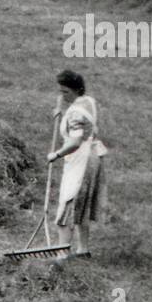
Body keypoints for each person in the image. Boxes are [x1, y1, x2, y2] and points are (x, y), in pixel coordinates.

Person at [50, 69, 107, 259]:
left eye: (65, 92)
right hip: (93, 157)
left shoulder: (75, 112)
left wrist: (56, 154)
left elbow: (74, 142)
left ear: (75, 90)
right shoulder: (88, 101)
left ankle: (61, 254)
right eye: (60, 91)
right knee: (83, 204)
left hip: (80, 160)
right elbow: (80, 117)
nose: (62, 96)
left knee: (68, 202)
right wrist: (61, 110)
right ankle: (83, 249)